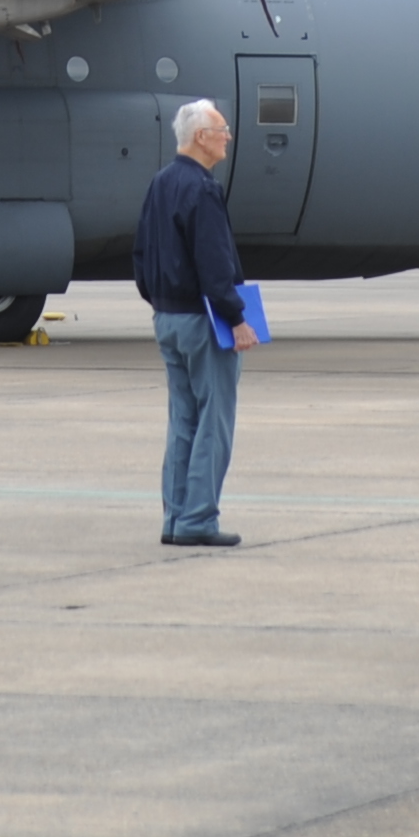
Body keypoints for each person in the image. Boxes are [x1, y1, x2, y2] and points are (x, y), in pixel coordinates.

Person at [134, 98, 249, 549]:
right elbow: (214, 262)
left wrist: (160, 300)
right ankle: (199, 517)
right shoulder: (202, 189)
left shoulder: (160, 183)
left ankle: (175, 516)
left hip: (168, 317)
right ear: (201, 137)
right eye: (222, 130)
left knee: (183, 419)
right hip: (203, 321)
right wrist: (235, 317)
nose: (228, 137)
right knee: (214, 419)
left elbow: (140, 253)